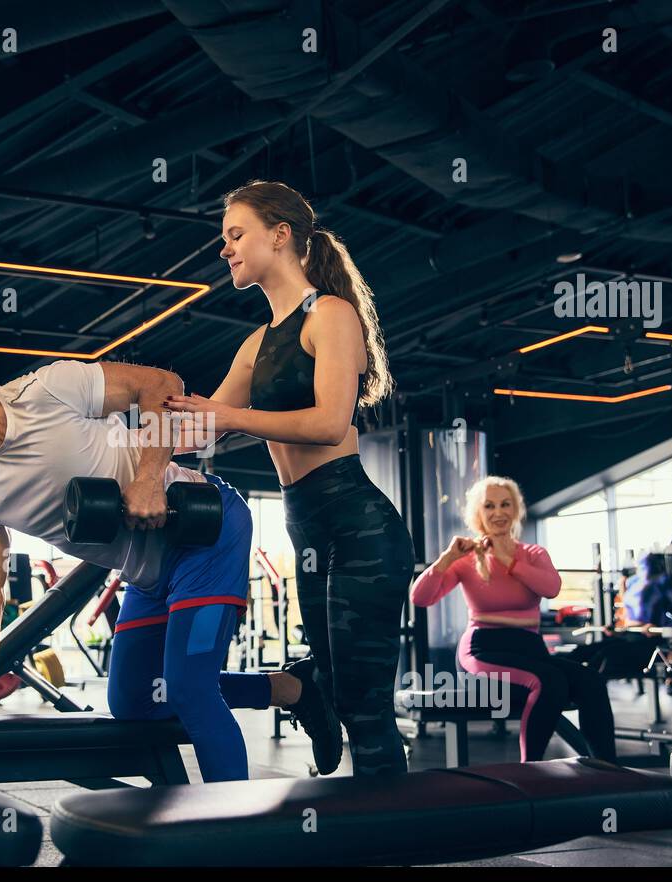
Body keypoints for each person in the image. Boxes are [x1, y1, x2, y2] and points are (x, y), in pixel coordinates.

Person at [0, 320, 336, 783]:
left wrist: (148, 477)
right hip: (149, 576)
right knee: (134, 700)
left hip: (207, 533)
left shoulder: (47, 391)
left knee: (188, 688)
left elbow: (161, 384)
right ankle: (296, 689)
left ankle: (237, 835)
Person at [164, 180, 414, 778]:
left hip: (359, 530)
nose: (224, 249)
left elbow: (329, 423)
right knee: (329, 680)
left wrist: (225, 417)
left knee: (368, 709)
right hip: (306, 527)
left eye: (235, 234)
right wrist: (114, 431)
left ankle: (394, 846)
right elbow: (201, 429)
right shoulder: (256, 343)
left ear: (281, 236)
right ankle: (310, 693)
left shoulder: (329, 315)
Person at [410, 476, 618, 762]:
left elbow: (551, 588)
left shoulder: (533, 554)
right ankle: (529, 770)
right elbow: (420, 598)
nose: (498, 512)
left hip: (530, 649)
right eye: (489, 506)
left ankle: (608, 770)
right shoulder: (465, 559)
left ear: (516, 509)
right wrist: (446, 558)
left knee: (591, 681)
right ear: (478, 514)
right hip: (483, 650)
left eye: (505, 504)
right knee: (549, 682)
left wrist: (509, 561)